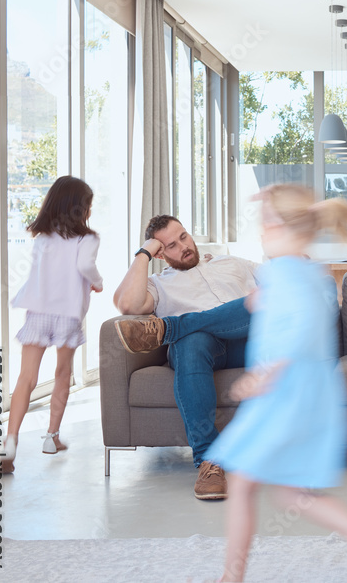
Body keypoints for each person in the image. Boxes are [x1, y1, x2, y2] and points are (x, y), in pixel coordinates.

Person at [207, 185, 347, 583]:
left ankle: (231, 578)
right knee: (292, 493)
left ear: (278, 227)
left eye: (264, 226)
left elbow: (301, 328)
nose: (260, 234)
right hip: (308, 395)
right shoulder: (309, 271)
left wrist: (263, 373)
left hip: (283, 395)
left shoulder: (287, 275)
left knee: (243, 481)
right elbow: (299, 308)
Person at [112, 214, 256, 500]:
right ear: (161, 254)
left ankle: (170, 328)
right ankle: (210, 462)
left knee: (261, 300)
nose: (184, 247)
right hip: (200, 351)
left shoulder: (230, 262)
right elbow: (127, 304)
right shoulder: (159, 283)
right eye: (171, 246)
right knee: (191, 342)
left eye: (184, 237)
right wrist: (144, 253)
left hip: (247, 341)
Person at [0, 175, 103, 474]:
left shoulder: (42, 236)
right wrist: (97, 282)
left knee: (26, 379)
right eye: (88, 206)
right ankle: (51, 437)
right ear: (80, 209)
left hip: (38, 311)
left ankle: (10, 441)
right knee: (62, 373)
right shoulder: (88, 238)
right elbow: (85, 266)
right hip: (67, 314)